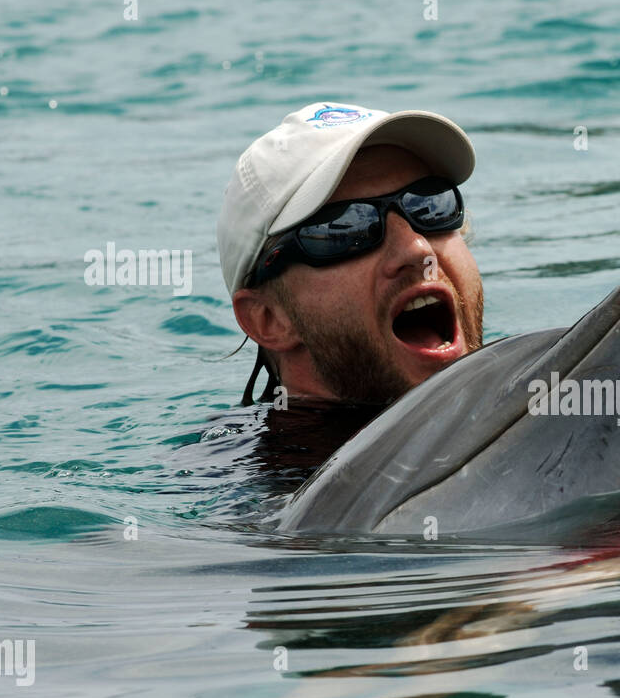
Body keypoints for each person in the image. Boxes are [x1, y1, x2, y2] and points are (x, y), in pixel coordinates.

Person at [183, 102, 487, 500]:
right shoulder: (261, 496)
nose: (416, 250)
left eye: (429, 204)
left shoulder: (546, 393)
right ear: (269, 319)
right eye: (344, 229)